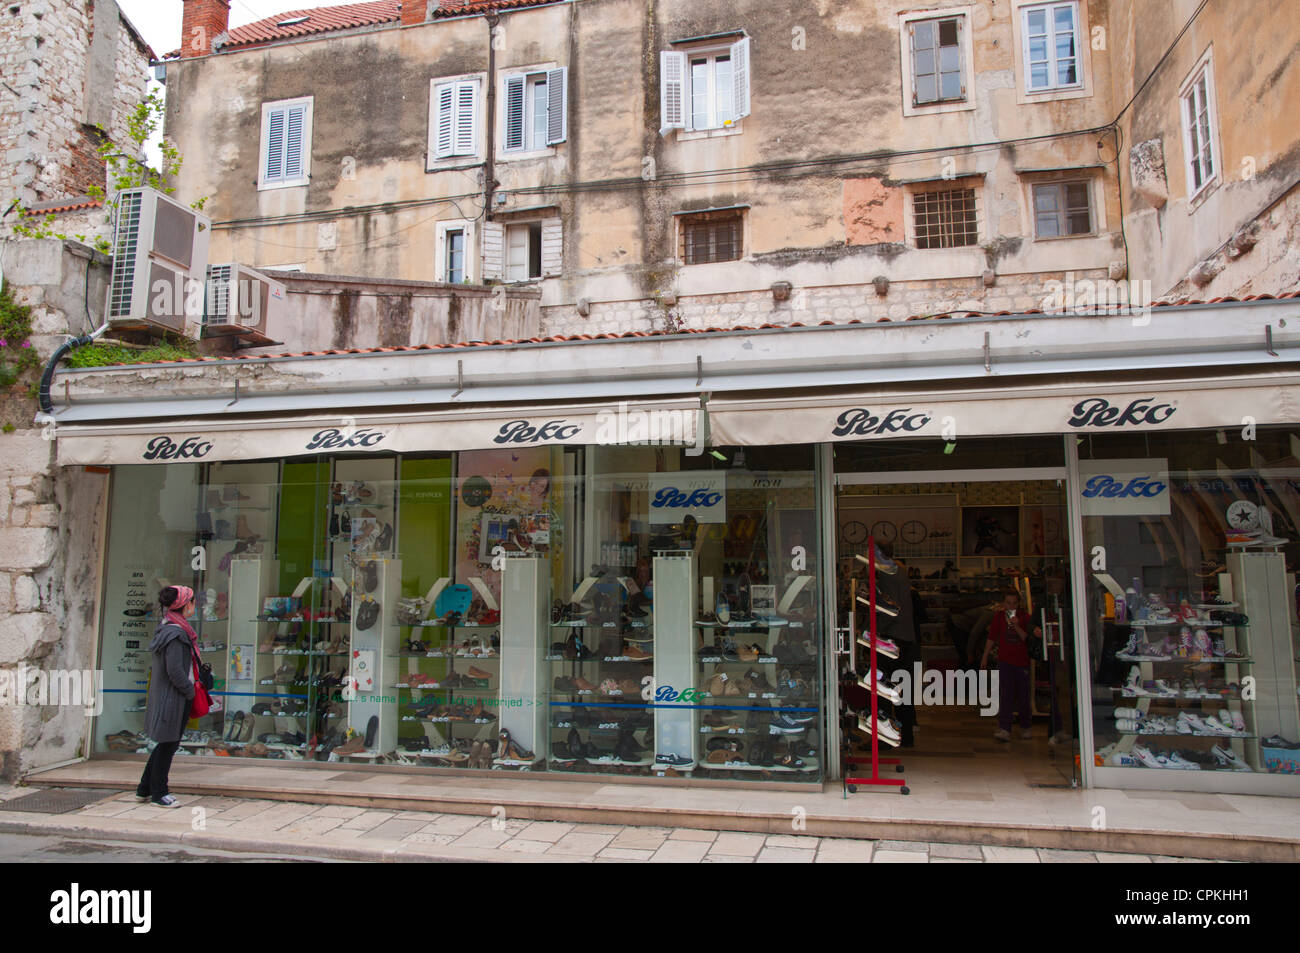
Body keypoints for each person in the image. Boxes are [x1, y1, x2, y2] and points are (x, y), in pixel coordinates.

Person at [136, 585, 199, 808]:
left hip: (167, 695)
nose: (194, 606)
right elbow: (175, 671)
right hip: (173, 698)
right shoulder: (176, 634)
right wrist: (190, 691)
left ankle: (144, 788)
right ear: (185, 604)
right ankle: (159, 793)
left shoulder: (168, 629)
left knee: (165, 743)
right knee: (168, 745)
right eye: (192, 601)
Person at [979, 590, 1041, 742]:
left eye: (1014, 603)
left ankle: (1026, 726)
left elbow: (1027, 639)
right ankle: (1004, 728)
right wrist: (985, 656)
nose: (1011, 606)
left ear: (1018, 604)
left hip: (1022, 662)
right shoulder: (998, 617)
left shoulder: (1025, 618)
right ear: (1003, 604)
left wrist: (1018, 626)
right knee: (1006, 695)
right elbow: (992, 637)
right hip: (1005, 661)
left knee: (1023, 696)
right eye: (1008, 603)